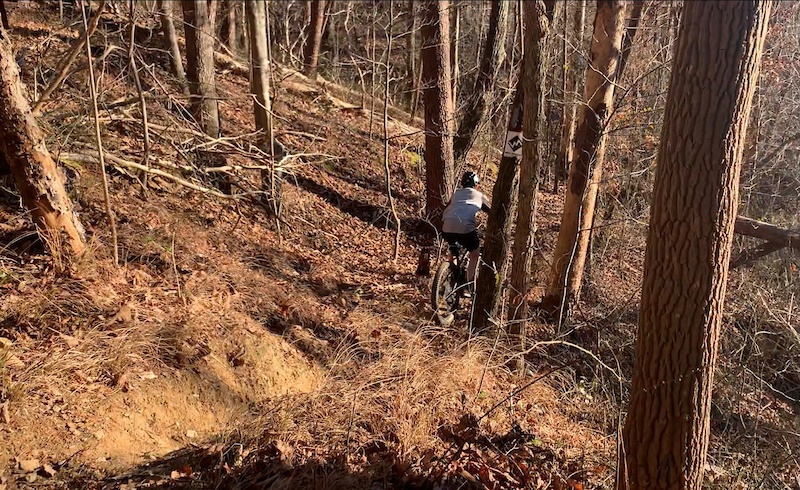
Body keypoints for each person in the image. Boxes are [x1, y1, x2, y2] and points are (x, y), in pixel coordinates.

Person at [441, 171, 491, 289]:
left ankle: (453, 275)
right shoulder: (479, 196)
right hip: (465, 228)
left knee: (453, 251)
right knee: (474, 254)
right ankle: (468, 285)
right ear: (476, 185)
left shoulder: (456, 194)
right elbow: (492, 211)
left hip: (446, 227)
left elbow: (447, 207)